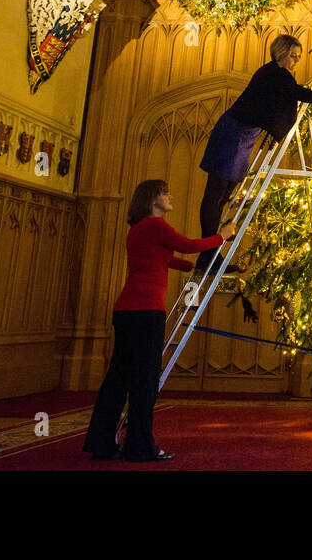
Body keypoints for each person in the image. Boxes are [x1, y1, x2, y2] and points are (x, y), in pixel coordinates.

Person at [82, 179, 235, 462]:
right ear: (153, 199)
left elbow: (165, 259)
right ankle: (140, 447)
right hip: (145, 312)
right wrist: (222, 236)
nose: (169, 195)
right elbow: (188, 245)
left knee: (118, 378)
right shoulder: (155, 225)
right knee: (145, 381)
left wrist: (195, 268)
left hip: (127, 311)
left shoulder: (139, 230)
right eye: (165, 192)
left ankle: (102, 443)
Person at [196, 33, 312, 273]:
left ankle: (210, 254)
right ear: (281, 53)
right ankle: (207, 256)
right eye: (292, 56)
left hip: (243, 136)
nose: (296, 61)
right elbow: (305, 95)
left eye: (298, 57)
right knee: (215, 195)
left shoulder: (276, 75)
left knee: (222, 196)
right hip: (232, 134)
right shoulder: (275, 74)